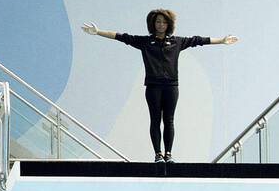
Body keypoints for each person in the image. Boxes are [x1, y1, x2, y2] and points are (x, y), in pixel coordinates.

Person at [81, 10, 238, 163]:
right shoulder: (145, 42)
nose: (161, 25)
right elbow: (122, 37)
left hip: (171, 86)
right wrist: (98, 32)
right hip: (153, 86)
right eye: (158, 22)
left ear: (168, 24)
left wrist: (221, 40)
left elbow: (198, 40)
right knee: (155, 120)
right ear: (153, 24)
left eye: (164, 22)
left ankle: (168, 154)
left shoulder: (177, 42)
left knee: (169, 120)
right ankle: (158, 154)